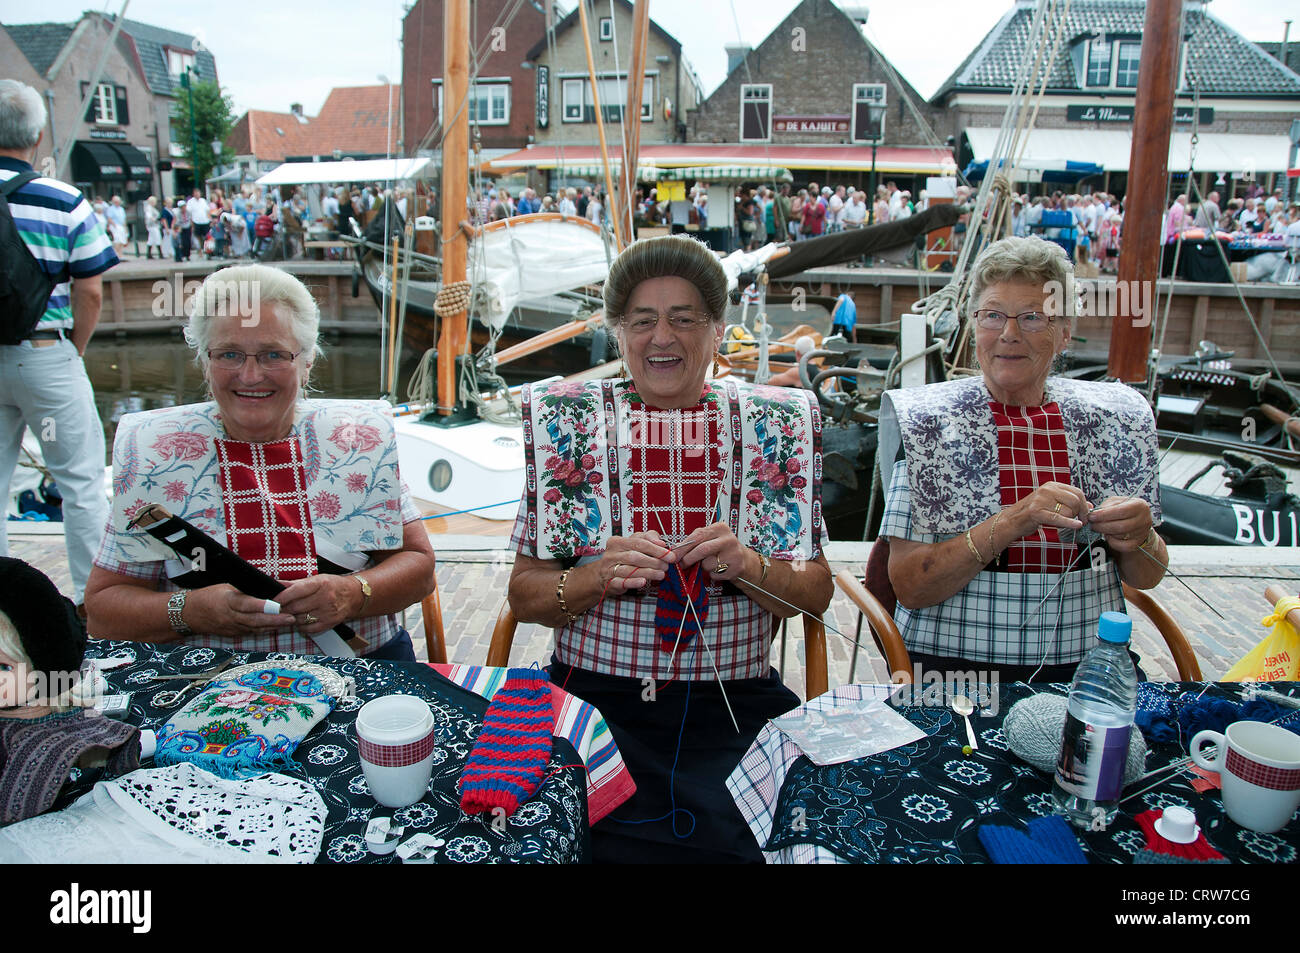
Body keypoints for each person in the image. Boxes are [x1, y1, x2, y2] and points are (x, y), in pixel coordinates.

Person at [506, 235, 832, 862]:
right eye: (642, 320)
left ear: (716, 330)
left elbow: (815, 595)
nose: (662, 337)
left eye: (684, 319)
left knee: (754, 841)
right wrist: (595, 576)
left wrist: (751, 567)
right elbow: (523, 596)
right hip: (591, 704)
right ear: (619, 333)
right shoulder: (569, 428)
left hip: (733, 707)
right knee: (570, 837)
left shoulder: (772, 429)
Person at [84, 265, 436, 659]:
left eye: (273, 355)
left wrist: (354, 593)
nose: (250, 376)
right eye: (229, 354)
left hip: (361, 671)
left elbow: (418, 567)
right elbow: (103, 611)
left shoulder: (354, 441)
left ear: (306, 364)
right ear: (204, 362)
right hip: (206, 682)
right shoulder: (157, 453)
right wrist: (188, 611)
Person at [878, 236, 1165, 683]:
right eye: (993, 315)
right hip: (956, 676)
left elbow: (1147, 576)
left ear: (1065, 332)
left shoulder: (1114, 420)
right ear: (973, 326)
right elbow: (910, 588)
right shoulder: (929, 423)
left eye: (1033, 317)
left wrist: (1141, 536)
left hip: (1089, 671)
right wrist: (1017, 518)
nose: (1009, 334)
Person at [0, 79, 118, 611]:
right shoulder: (61, 198)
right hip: (46, 355)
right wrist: (75, 345)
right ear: (38, 135)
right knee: (80, 483)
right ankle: (90, 604)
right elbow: (90, 288)